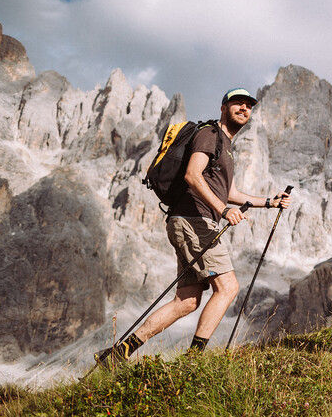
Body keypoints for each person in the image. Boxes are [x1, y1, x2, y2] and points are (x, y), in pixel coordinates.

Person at [95, 87, 292, 367]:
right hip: (194, 219)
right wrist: (223, 210)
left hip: (189, 220)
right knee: (228, 287)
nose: (243, 108)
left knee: (186, 301)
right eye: (237, 103)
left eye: (248, 105)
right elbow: (191, 175)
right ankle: (194, 361)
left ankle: (116, 354)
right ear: (223, 107)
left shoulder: (226, 145)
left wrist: (269, 202)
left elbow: (231, 192)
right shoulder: (210, 135)